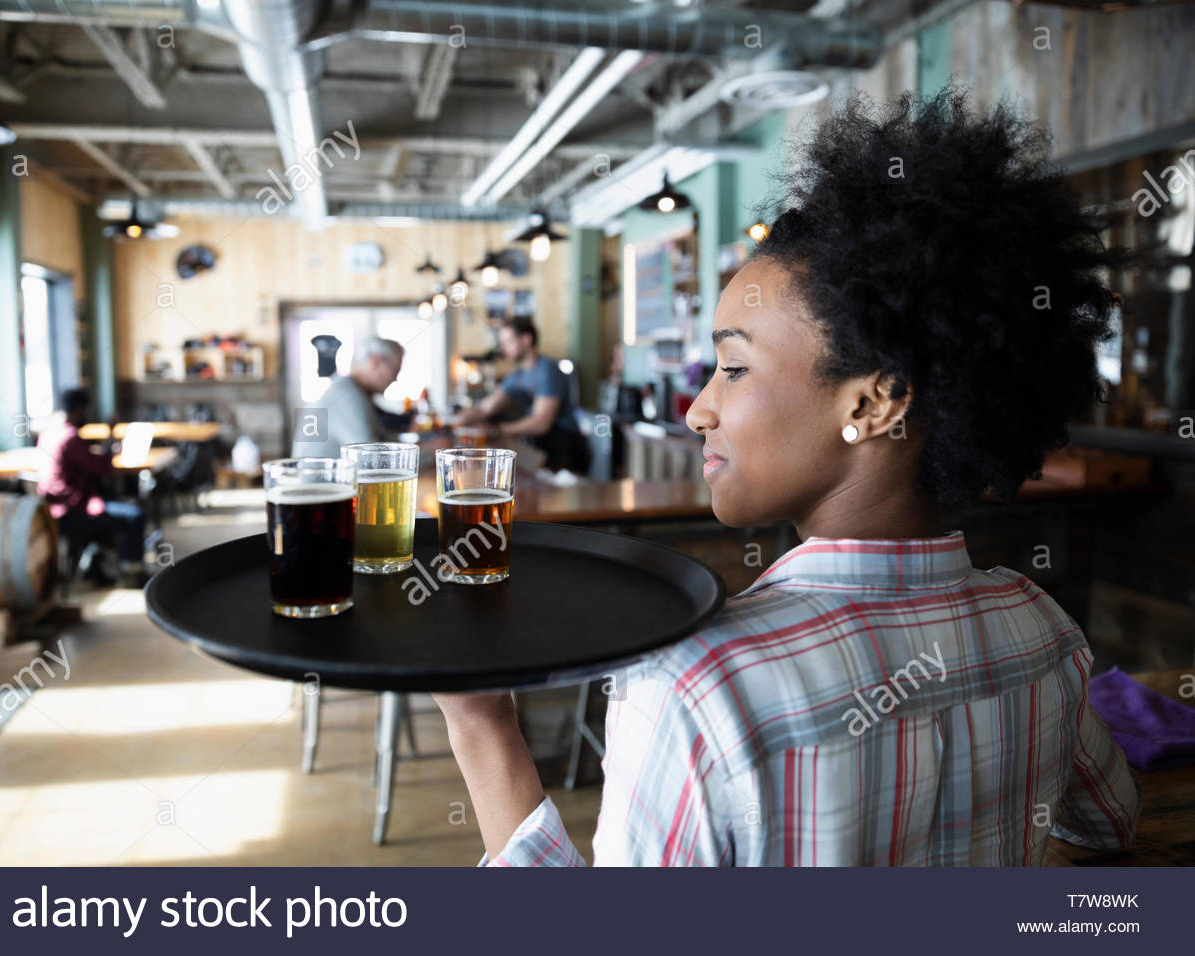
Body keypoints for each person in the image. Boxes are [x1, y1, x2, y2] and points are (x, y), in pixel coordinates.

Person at [433, 88, 1141, 866]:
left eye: (733, 368)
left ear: (874, 403)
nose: (699, 409)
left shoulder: (700, 687)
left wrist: (479, 722)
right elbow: (1106, 827)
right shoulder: (1040, 631)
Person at [37, 388, 146, 582]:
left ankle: (98, 567)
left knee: (109, 502)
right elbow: (101, 467)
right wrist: (111, 436)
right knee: (134, 515)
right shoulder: (71, 438)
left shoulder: (48, 434)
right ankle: (132, 574)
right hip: (71, 511)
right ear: (80, 410)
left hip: (49, 509)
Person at [453, 317, 589, 473]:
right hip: (541, 449)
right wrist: (457, 422)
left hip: (565, 451)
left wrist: (496, 430)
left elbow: (541, 423)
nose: (503, 348)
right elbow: (485, 408)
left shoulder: (548, 371)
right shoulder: (517, 376)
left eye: (508, 341)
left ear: (526, 340)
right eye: (502, 343)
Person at [291, 337, 404, 457]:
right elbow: (369, 457)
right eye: (395, 370)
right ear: (374, 362)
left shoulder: (355, 391)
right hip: (323, 476)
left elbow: (384, 440)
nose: (395, 379)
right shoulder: (345, 394)